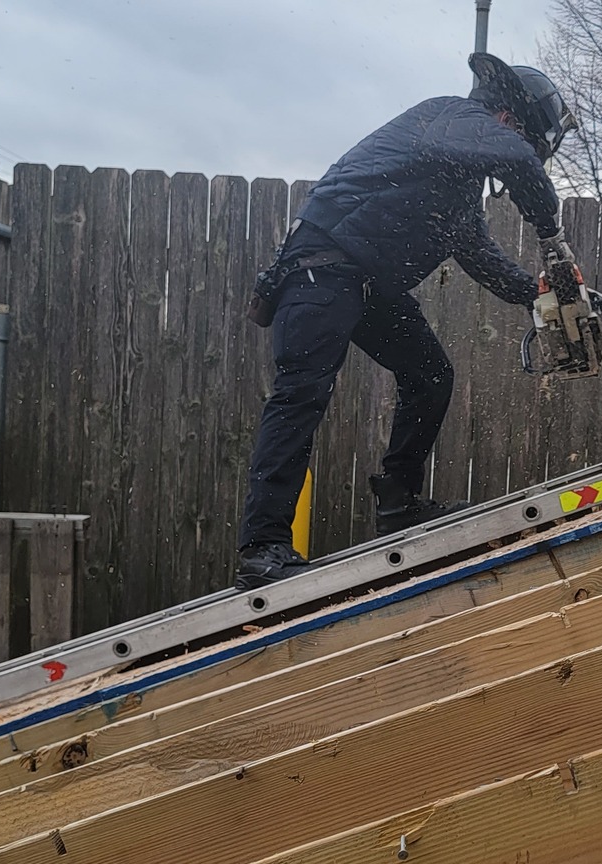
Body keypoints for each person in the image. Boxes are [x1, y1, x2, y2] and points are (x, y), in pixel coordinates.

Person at [234, 52, 576, 589]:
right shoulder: (448, 116)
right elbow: (519, 162)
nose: (523, 152)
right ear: (509, 118)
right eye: (528, 139)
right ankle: (262, 547)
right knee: (300, 396)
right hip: (320, 272)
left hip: (367, 287)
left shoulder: (455, 177)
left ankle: (398, 505)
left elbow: (481, 256)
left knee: (430, 376)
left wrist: (541, 290)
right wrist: (552, 238)